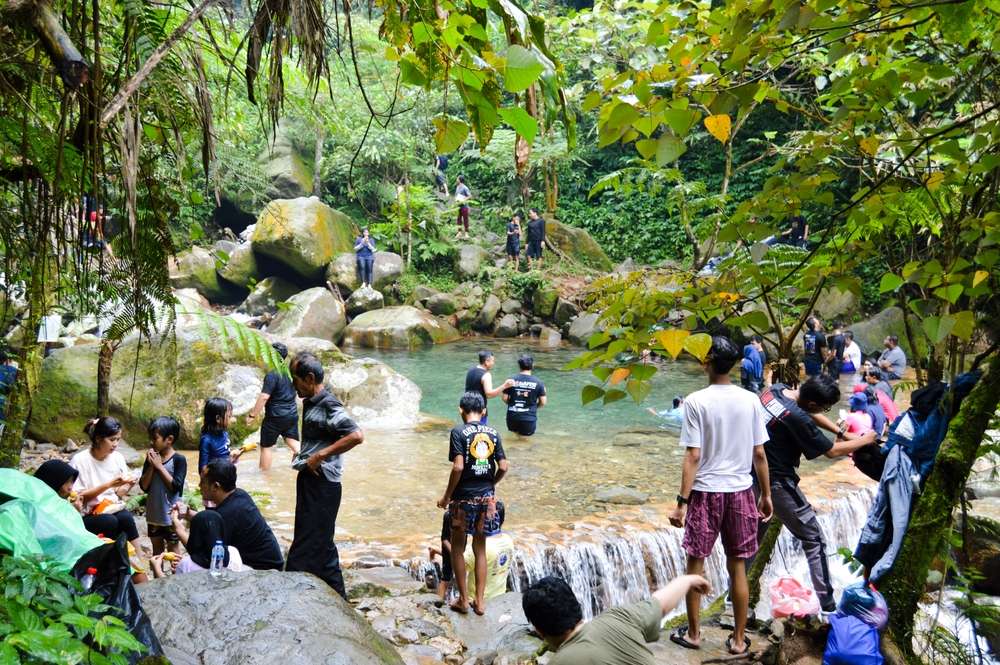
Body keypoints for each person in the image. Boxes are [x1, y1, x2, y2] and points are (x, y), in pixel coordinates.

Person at [668, 336, 772, 655]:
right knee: (737, 566)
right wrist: (765, 494)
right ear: (736, 364)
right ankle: (739, 641)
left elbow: (693, 456)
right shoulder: (751, 400)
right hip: (741, 491)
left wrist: (681, 503)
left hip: (705, 493)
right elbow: (759, 454)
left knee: (694, 567)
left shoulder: (696, 401)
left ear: (706, 362)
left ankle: (695, 634)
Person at [753, 375, 877, 613]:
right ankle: (828, 607)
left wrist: (839, 430)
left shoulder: (775, 390)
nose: (825, 411)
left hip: (752, 475)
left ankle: (733, 594)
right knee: (814, 539)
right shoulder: (798, 417)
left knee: (753, 537)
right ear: (813, 404)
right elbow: (831, 451)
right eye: (825, 408)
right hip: (777, 484)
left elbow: (806, 415)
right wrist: (865, 440)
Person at [286, 352, 365, 597]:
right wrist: (306, 454)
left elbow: (356, 435)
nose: (293, 385)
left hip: (324, 483)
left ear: (309, 379)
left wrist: (319, 456)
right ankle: (322, 593)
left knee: (316, 541)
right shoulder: (312, 401)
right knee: (312, 538)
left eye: (295, 379)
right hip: (312, 479)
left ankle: (297, 589)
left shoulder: (328, 403)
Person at [522, 574, 712, 665]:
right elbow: (660, 604)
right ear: (575, 604)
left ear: (539, 630)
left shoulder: (562, 662)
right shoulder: (618, 617)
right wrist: (687, 581)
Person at [436, 392, 509, 615]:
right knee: (480, 549)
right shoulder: (494, 433)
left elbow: (458, 467)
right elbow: (504, 466)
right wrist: (491, 484)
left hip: (464, 498)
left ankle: (463, 601)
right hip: (487, 498)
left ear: (461, 410)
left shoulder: (458, 432)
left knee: (458, 548)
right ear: (484, 411)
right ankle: (480, 602)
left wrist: (447, 496)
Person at [185, 459, 283, 570]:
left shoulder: (227, 513)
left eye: (203, 481)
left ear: (216, 486)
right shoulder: (240, 494)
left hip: (262, 571)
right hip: (274, 562)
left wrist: (179, 529)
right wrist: (190, 515)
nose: (199, 485)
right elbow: (212, 523)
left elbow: (202, 555)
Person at [70, 417, 141, 551]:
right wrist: (108, 485)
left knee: (126, 518)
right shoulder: (80, 461)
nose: (115, 444)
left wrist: (128, 484)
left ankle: (139, 560)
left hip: (111, 507)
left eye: (118, 439)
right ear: (98, 439)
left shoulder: (117, 458)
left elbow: (119, 493)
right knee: (110, 522)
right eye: (112, 439)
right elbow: (77, 498)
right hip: (88, 514)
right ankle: (112, 558)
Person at [247, 342, 301, 471]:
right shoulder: (290, 372)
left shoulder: (272, 374)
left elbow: (264, 397)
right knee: (292, 442)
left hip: (274, 417)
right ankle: (302, 462)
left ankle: (264, 477)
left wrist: (252, 415)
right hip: (291, 415)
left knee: (266, 447)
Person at [139, 416, 186, 556]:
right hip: (154, 514)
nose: (151, 442)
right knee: (157, 551)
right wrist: (152, 466)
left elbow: (175, 487)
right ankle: (158, 576)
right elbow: (144, 486)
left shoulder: (179, 460)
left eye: (155, 438)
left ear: (169, 440)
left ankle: (177, 577)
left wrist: (159, 467)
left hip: (171, 515)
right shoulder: (151, 459)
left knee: (173, 549)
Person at [150, 510, 245, 577]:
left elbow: (176, 594)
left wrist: (157, 569)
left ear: (195, 535)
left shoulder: (185, 565)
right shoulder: (233, 552)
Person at [464, 350, 514, 425]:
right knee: (480, 432)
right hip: (478, 408)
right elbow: (489, 394)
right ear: (486, 361)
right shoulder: (486, 375)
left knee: (468, 429)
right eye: (492, 361)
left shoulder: (471, 370)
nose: (493, 363)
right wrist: (505, 386)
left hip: (466, 405)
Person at [502, 354, 547, 437]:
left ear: (519, 366)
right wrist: (534, 407)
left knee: (513, 438)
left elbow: (504, 398)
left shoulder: (510, 380)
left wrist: (512, 404)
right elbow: (543, 402)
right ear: (532, 366)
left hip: (512, 416)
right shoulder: (539, 382)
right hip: (529, 418)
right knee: (525, 441)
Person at [198, 397, 242, 473]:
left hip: (226, 474)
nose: (232, 419)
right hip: (216, 479)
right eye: (229, 416)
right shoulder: (206, 440)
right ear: (218, 418)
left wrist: (232, 457)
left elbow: (224, 457)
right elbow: (202, 470)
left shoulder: (225, 433)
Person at [429, 511, 454, 600]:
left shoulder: (465, 511)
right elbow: (444, 539)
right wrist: (454, 553)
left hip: (456, 549)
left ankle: (434, 551)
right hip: (450, 548)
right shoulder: (449, 515)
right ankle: (438, 604)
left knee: (447, 578)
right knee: (445, 579)